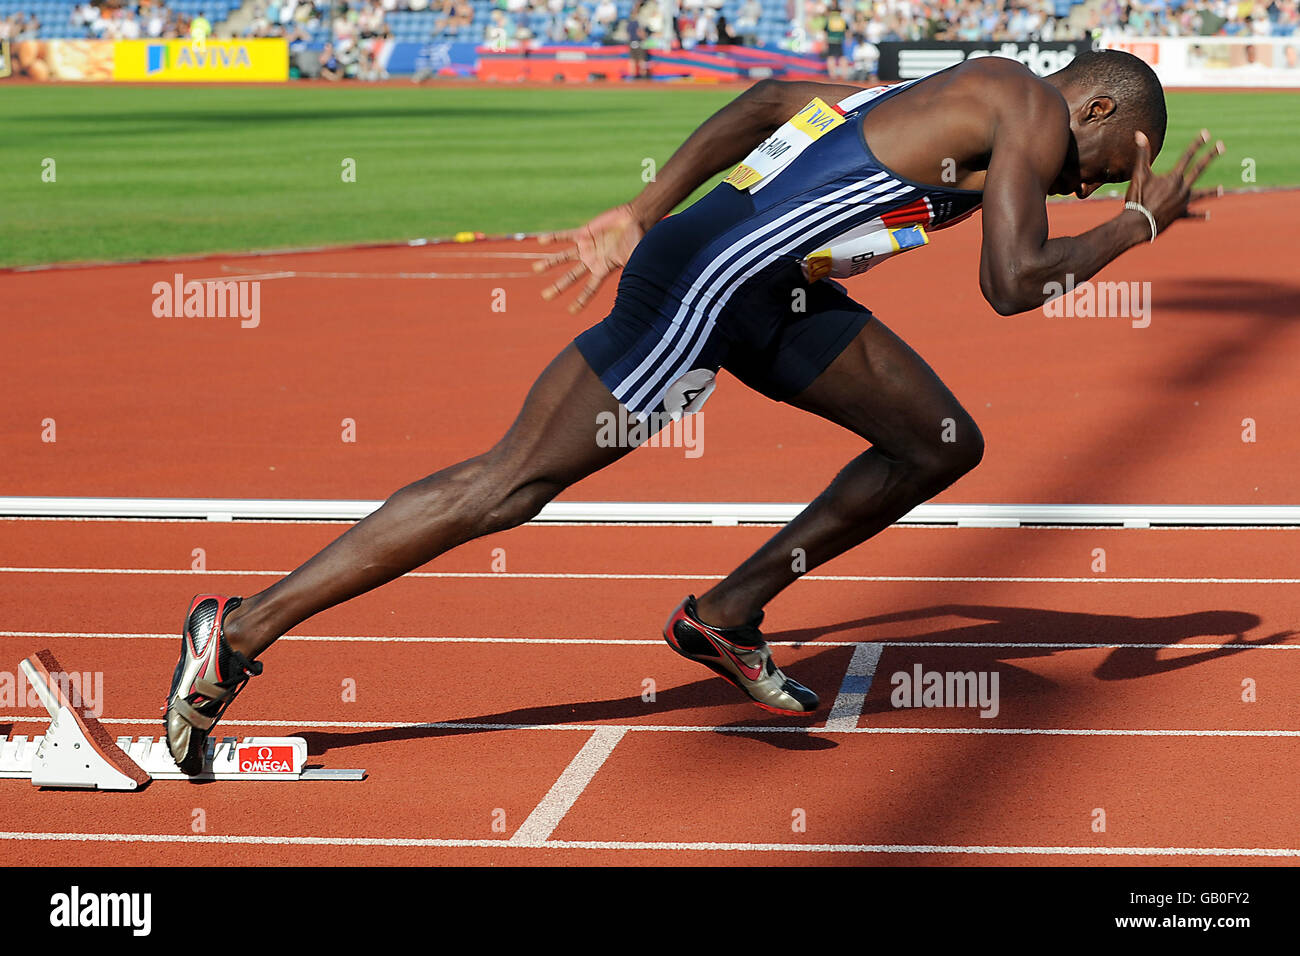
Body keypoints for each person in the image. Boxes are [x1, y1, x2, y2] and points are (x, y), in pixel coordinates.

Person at [163, 50, 1223, 772]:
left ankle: (722, 615)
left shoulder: (961, 87)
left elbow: (769, 100)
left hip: (770, 289)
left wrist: (643, 202)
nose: (1077, 190)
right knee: (509, 484)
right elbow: (1011, 280)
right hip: (713, 284)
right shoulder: (1030, 109)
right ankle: (239, 630)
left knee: (935, 438)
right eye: (1096, 168)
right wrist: (1135, 224)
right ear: (1093, 111)